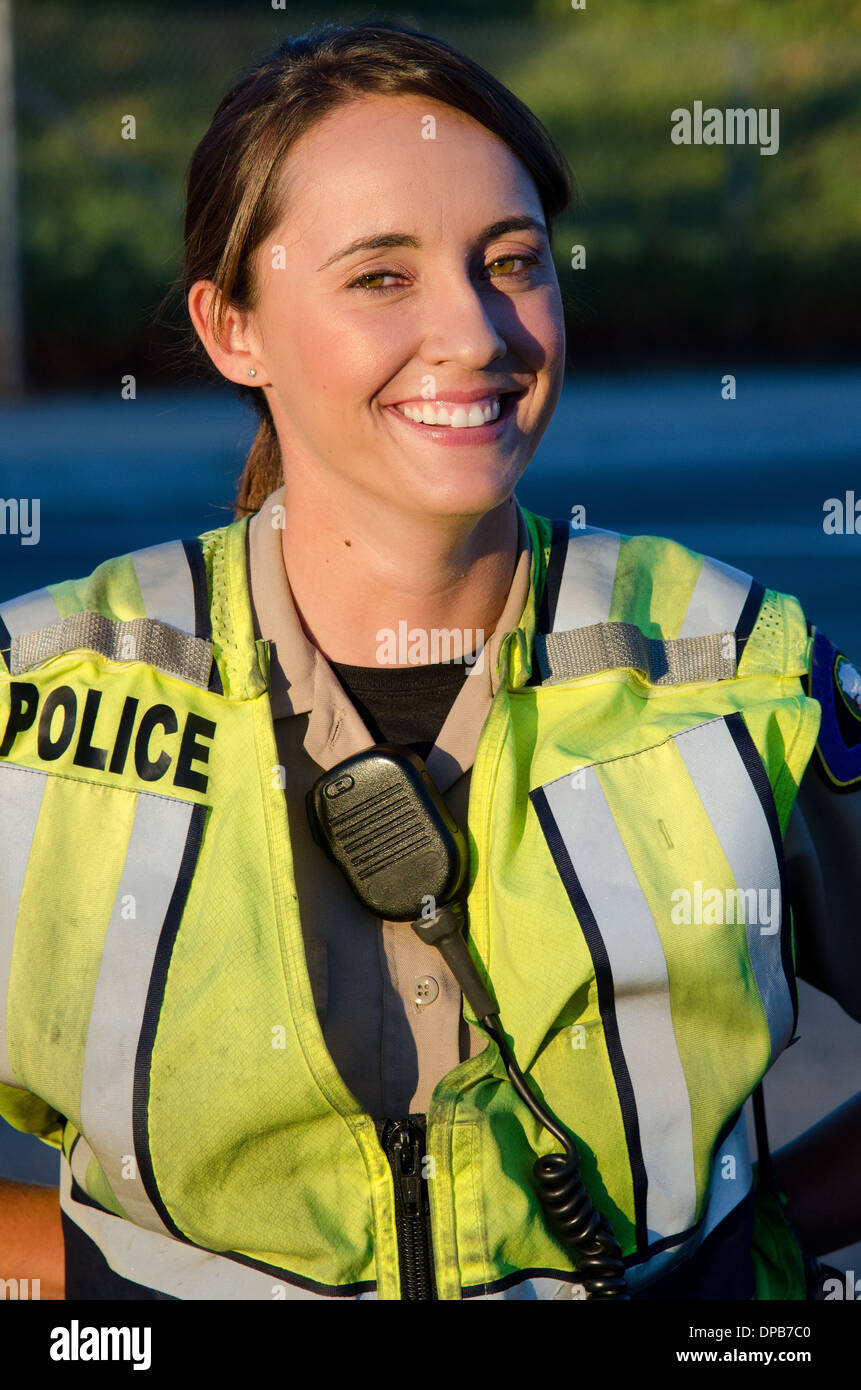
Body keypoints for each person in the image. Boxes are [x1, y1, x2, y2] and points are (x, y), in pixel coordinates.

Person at [0, 18, 859, 1303]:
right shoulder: (40, 696)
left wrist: (739, 1244)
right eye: (382, 277)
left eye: (511, 262)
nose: (476, 333)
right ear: (232, 328)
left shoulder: (739, 666)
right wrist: (93, 1284)